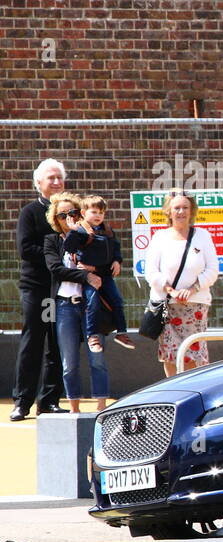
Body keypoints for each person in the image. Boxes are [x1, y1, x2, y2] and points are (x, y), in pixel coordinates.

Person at [11, 158, 68, 420]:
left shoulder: (69, 212)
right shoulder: (30, 212)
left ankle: (49, 401)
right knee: (33, 343)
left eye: (59, 177)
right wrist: (54, 255)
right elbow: (25, 249)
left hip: (64, 290)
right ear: (39, 183)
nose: (56, 182)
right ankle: (22, 401)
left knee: (56, 345)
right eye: (51, 178)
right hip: (38, 289)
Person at [42, 193, 110, 413]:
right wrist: (85, 276)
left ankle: (101, 406)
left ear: (80, 214)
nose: (68, 218)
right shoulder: (52, 241)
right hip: (64, 306)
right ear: (56, 219)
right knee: (69, 362)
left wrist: (112, 262)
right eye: (63, 215)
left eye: (72, 213)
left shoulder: (92, 236)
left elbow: (105, 262)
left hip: (91, 305)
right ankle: (74, 408)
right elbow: (56, 269)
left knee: (97, 358)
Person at [144, 190, 220, 377]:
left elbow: (212, 270)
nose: (181, 212)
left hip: (195, 305)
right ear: (168, 211)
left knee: (194, 352)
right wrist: (171, 290)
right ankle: (173, 391)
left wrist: (191, 289)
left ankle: (195, 391)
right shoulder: (159, 238)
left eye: (185, 207)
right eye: (176, 208)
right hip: (167, 305)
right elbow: (151, 272)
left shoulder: (203, 236)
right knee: (170, 353)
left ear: (191, 210)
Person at [63, 194, 133, 353]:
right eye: (94, 212)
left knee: (117, 300)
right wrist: (72, 231)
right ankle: (92, 335)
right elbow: (69, 248)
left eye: (101, 213)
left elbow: (115, 248)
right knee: (93, 303)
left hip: (105, 274)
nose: (98, 216)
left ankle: (121, 332)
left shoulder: (107, 230)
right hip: (89, 277)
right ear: (83, 213)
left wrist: (117, 261)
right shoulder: (81, 231)